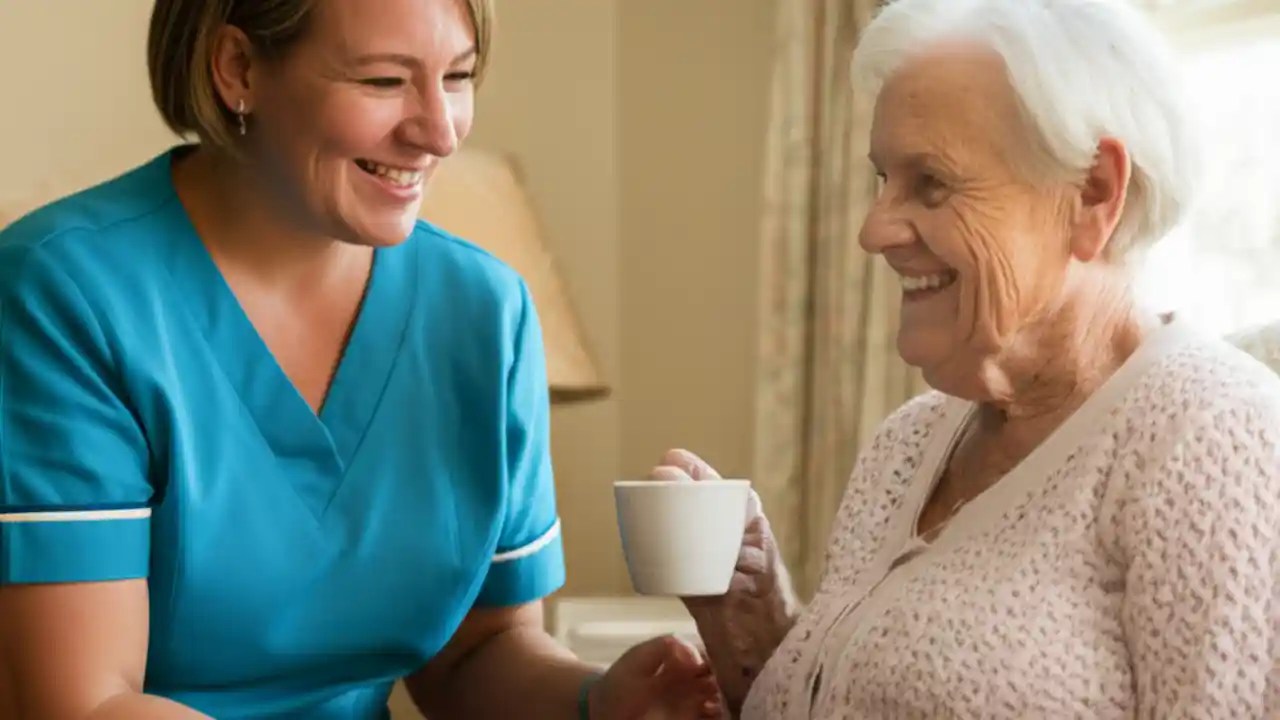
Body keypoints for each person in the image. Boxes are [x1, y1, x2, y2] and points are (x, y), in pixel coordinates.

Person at [0, 1, 720, 718]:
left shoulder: (485, 314)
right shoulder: (66, 293)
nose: (439, 132)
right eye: (383, 81)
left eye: (460, 76)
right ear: (237, 68)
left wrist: (600, 700)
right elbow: (83, 703)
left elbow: (479, 653)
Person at [653, 1, 1280, 718]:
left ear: (1092, 193)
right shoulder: (909, 442)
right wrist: (753, 630)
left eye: (933, 183)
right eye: (881, 179)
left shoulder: (1216, 440)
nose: (874, 229)